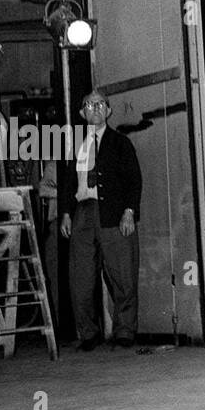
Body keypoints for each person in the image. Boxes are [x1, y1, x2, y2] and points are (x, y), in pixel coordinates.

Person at [58, 90, 142, 351]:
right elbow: (67, 183)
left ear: (108, 111)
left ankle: (124, 331)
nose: (94, 108)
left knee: (122, 274)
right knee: (81, 278)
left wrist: (129, 211)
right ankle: (88, 333)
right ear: (82, 113)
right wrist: (66, 213)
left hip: (113, 214)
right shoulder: (74, 145)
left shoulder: (121, 143)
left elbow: (134, 180)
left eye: (100, 104)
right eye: (89, 105)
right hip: (83, 213)